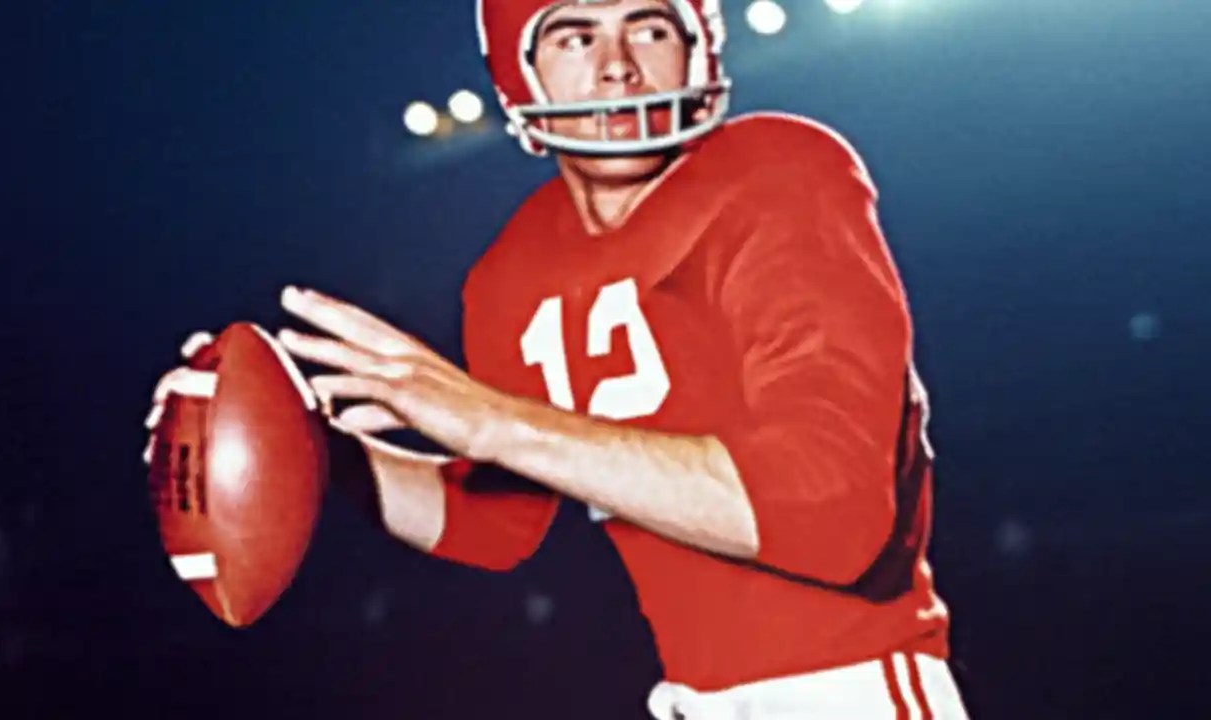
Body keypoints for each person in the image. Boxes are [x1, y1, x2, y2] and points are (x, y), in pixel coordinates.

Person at [146, 1, 971, 717]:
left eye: (649, 26)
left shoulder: (780, 173)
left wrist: (489, 418)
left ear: (701, 44)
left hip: (853, 693)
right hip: (693, 698)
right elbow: (490, 522)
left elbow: (831, 519)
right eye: (574, 36)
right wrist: (316, 452)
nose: (617, 68)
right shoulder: (515, 271)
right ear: (518, 67)